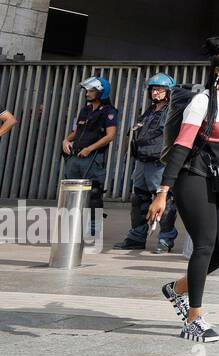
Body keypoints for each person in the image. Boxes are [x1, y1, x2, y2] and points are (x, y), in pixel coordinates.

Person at [148, 37, 219, 343]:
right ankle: (194, 317)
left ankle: (177, 288)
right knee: (205, 244)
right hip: (195, 178)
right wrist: (163, 190)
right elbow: (181, 147)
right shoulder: (203, 102)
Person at [114, 73, 179, 253]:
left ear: (169, 92)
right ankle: (136, 237)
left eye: (160, 89)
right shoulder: (149, 111)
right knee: (138, 200)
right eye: (153, 89)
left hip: (160, 163)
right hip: (142, 161)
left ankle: (166, 240)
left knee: (164, 203)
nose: (155, 92)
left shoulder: (173, 112)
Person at [62, 76, 119, 238]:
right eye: (87, 90)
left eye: (92, 90)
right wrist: (66, 139)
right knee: (71, 191)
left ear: (101, 92)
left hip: (93, 158)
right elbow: (78, 131)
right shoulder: (85, 110)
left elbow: (110, 135)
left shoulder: (109, 111)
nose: (87, 93)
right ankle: (72, 224)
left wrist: (90, 148)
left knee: (93, 193)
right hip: (75, 157)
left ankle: (94, 227)